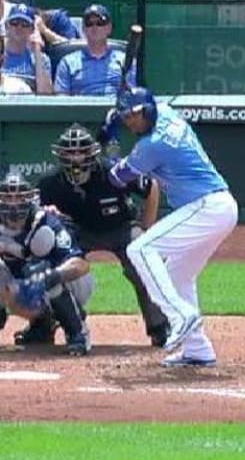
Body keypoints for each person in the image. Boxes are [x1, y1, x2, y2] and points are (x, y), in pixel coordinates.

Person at [104, 87, 235, 368]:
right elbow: (145, 101)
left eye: (134, 117)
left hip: (206, 207)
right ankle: (197, 349)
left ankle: (179, 315)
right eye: (127, 118)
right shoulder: (166, 112)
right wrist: (123, 109)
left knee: (139, 249)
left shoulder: (152, 146)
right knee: (177, 274)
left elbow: (117, 178)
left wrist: (111, 140)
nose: (130, 123)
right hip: (216, 207)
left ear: (146, 111)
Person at [35, 123, 169, 347]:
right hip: (77, 231)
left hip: (121, 227)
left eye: (81, 152)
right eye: (70, 152)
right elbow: (33, 214)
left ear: (92, 153)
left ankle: (160, 326)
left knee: (144, 259)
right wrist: (47, 215)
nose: (76, 159)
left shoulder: (115, 172)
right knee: (47, 263)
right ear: (60, 154)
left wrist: (147, 230)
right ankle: (48, 322)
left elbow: (151, 187)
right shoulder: (50, 183)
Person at [0, 173, 95, 354]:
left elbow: (81, 264)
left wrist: (48, 278)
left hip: (69, 284)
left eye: (19, 198)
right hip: (19, 278)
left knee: (40, 273)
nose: (13, 205)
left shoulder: (45, 225)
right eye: (8, 198)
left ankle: (78, 333)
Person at [0, 4, 53, 94]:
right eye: (14, 23)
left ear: (32, 29)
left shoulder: (41, 59)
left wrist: (37, 50)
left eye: (24, 24)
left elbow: (45, 95)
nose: (19, 28)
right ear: (6, 26)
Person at [54, 4, 132, 96]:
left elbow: (133, 94)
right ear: (84, 29)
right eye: (89, 24)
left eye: (100, 23)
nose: (94, 28)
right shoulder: (67, 62)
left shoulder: (124, 61)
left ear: (109, 28)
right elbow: (61, 98)